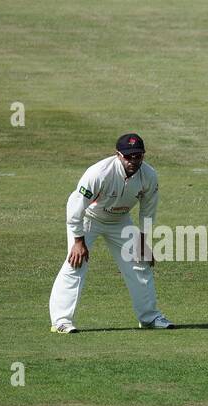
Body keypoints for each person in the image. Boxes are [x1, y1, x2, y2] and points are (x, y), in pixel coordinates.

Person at [49, 133, 173, 333]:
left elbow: (148, 210)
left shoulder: (149, 175)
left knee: (140, 263)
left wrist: (143, 240)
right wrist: (78, 241)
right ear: (118, 155)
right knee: (76, 263)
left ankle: (149, 318)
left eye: (138, 156)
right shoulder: (98, 173)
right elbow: (75, 208)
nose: (133, 161)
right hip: (89, 219)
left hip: (120, 221)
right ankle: (61, 321)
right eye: (128, 156)